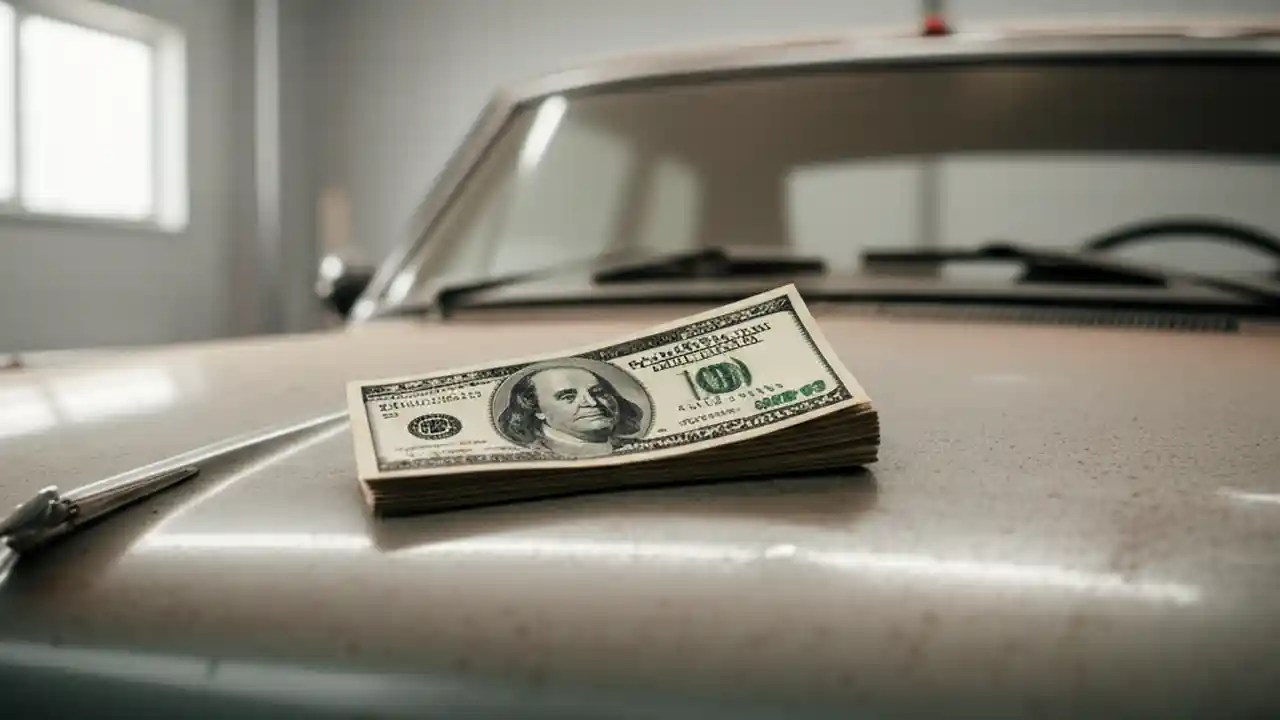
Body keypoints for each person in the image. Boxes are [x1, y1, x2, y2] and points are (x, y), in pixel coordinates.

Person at [498, 365, 644, 458]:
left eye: (599, 392)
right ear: (536, 409)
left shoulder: (635, 446)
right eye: (568, 397)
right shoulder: (536, 454)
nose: (592, 402)